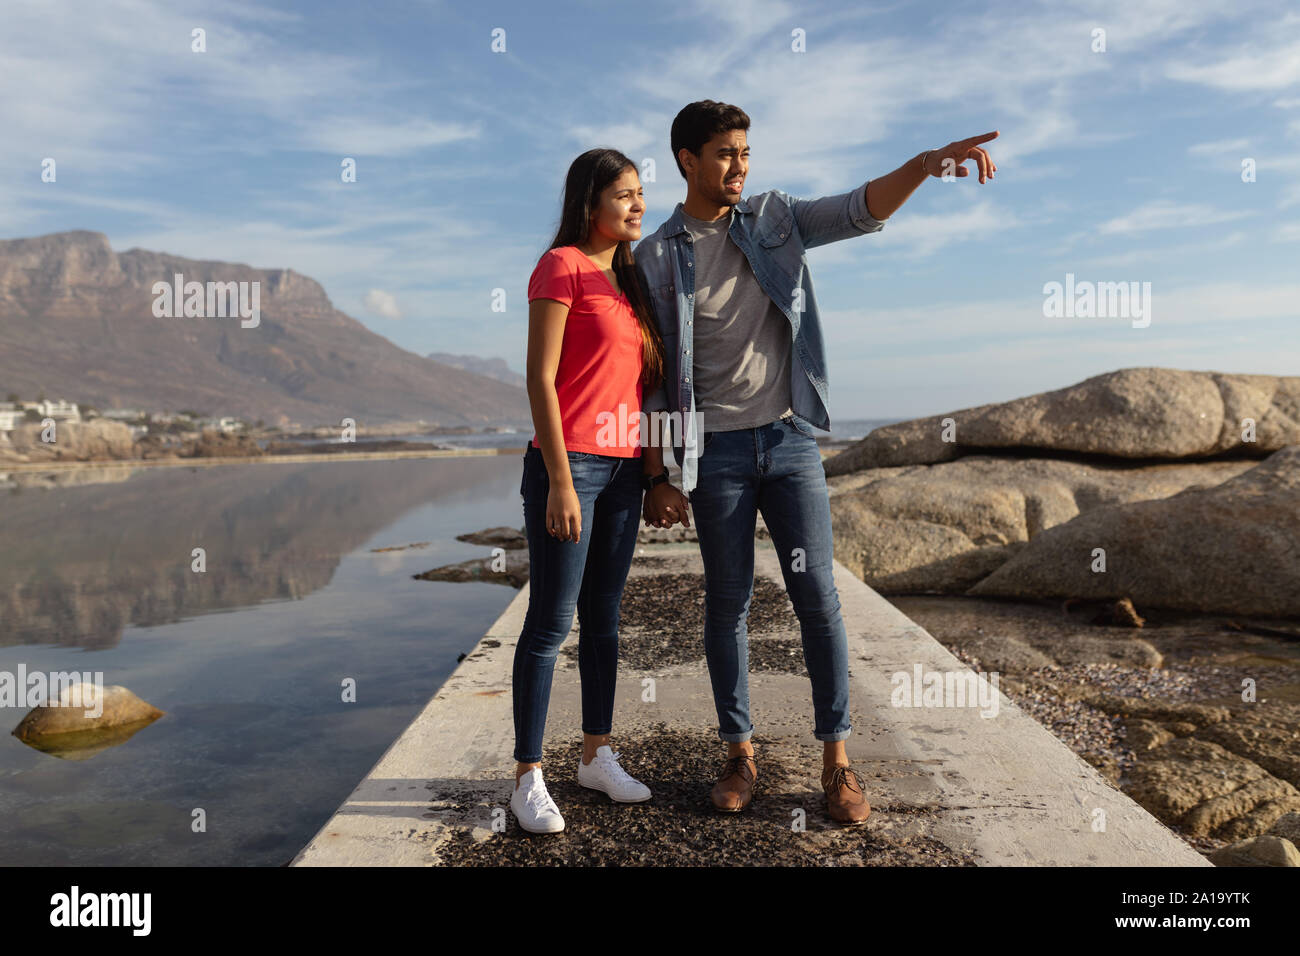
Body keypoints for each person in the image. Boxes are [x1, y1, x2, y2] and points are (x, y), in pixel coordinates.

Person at [634, 100, 997, 824]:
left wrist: (922, 167)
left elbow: (857, 209)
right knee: (727, 605)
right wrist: (657, 473)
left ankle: (838, 761)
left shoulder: (774, 217)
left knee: (818, 602)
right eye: (725, 153)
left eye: (745, 151)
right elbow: (652, 371)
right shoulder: (655, 254)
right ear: (686, 161)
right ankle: (739, 752)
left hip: (791, 440)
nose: (739, 164)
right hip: (718, 456)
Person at [511, 148, 667, 834]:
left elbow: (642, 390)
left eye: (640, 193)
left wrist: (654, 473)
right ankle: (528, 777)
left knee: (604, 617)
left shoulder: (631, 280)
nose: (638, 204)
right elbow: (540, 379)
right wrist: (560, 481)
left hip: (626, 467)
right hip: (570, 463)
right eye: (625, 195)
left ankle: (596, 755)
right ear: (589, 204)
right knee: (550, 622)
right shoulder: (561, 267)